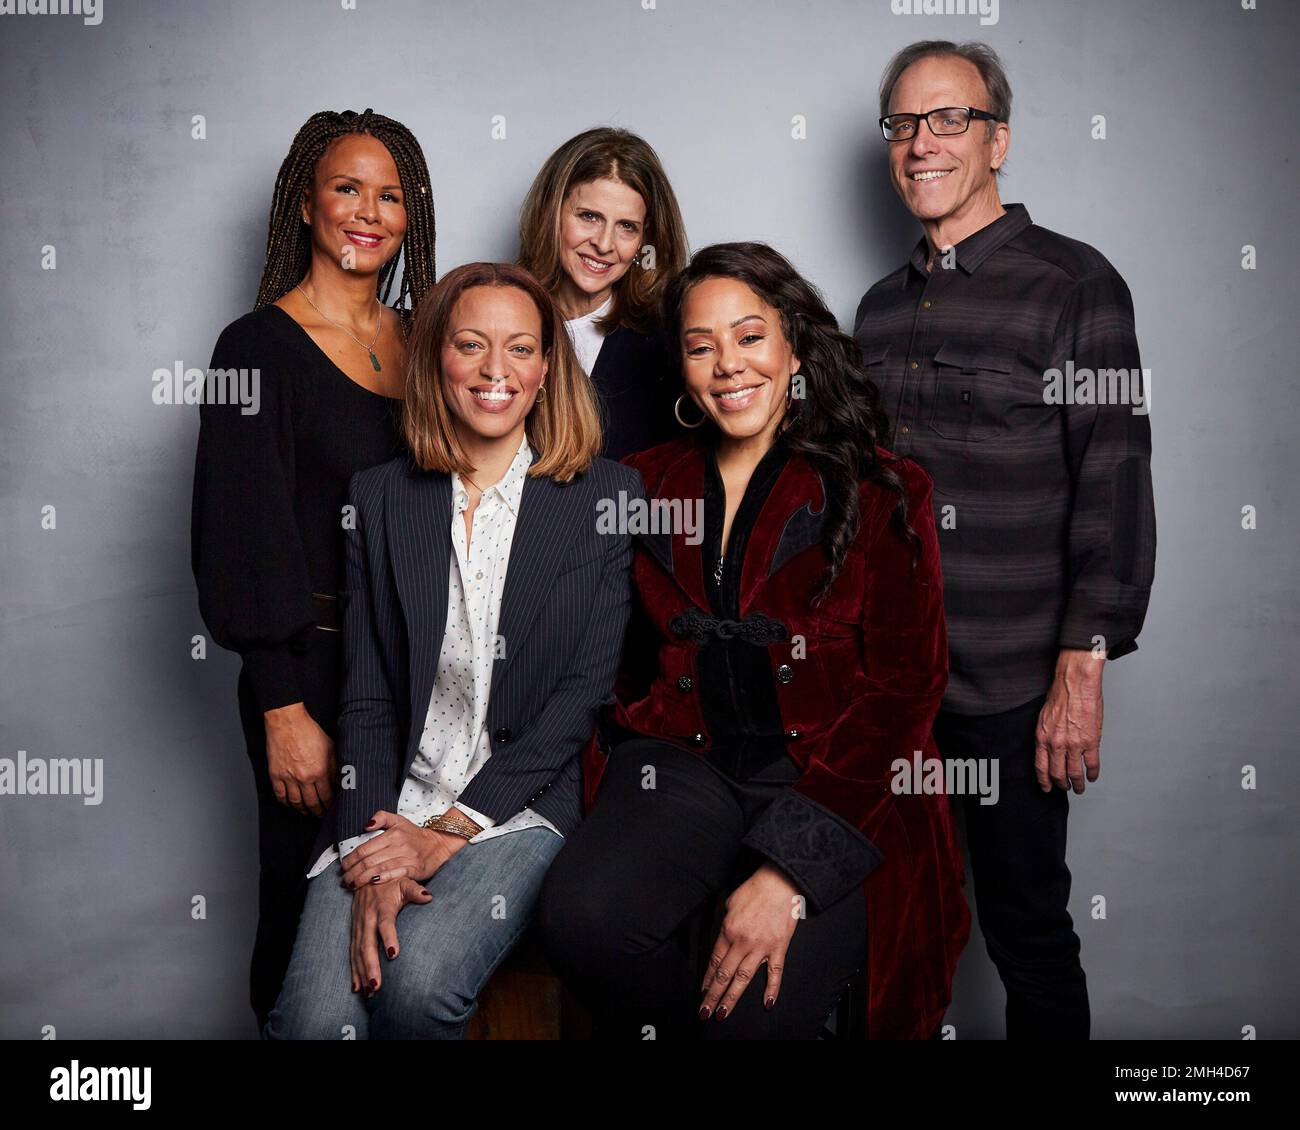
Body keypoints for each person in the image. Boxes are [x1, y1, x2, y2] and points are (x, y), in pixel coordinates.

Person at [538, 242, 971, 1040]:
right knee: (579, 922)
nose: (727, 365)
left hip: (833, 780)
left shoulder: (885, 490)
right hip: (685, 767)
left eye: (749, 337)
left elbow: (906, 692)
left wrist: (789, 870)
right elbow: (599, 647)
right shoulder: (645, 482)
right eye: (701, 346)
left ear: (793, 347)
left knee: (751, 1017)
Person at [854, 41, 1157, 1040]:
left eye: (949, 119)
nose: (920, 142)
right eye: (903, 123)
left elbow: (1111, 477)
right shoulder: (878, 309)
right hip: (894, 685)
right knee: (885, 922)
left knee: (1025, 930)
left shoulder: (1075, 284)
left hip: (1011, 683)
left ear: (999, 141)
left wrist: (1083, 660)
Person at [265, 263, 640, 1039]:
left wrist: (449, 832)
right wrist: (375, 847)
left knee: (416, 992)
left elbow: (580, 699)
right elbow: (366, 696)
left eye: (519, 349)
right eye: (471, 345)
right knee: (308, 1023)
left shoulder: (608, 497)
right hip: (390, 797)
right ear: (439, 359)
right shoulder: (380, 496)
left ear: (546, 368)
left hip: (518, 803)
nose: (495, 371)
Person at [190, 108, 436, 1030]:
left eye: (389, 194)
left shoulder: (427, 339)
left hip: (420, 668)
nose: (366, 212)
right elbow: (237, 539)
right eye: (345, 188)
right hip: (313, 673)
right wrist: (280, 703)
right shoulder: (253, 349)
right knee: (306, 907)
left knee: (405, 904)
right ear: (305, 204)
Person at [518, 126, 689, 459]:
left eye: (627, 226)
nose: (604, 244)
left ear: (645, 239)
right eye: (589, 217)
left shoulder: (666, 344)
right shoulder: (501, 320)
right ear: (551, 215)